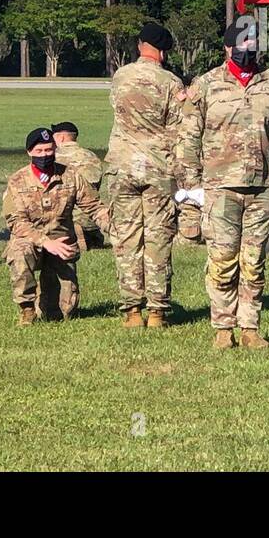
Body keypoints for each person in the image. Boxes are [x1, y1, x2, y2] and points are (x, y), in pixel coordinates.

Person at [176, 20, 269, 349]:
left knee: (254, 260)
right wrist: (191, 184)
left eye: (252, 43)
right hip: (219, 187)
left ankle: (250, 328)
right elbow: (188, 137)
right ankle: (223, 328)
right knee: (222, 258)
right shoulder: (206, 85)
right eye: (239, 44)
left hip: (264, 186)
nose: (246, 50)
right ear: (227, 48)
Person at [104, 23, 185, 329]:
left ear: (141, 45)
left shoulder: (120, 76)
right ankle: (157, 311)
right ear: (163, 51)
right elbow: (181, 128)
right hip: (157, 168)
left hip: (122, 166)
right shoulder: (171, 83)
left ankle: (131, 310)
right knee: (157, 239)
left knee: (125, 239)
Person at [2, 128, 109, 327]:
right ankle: (26, 308)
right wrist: (45, 242)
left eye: (49, 150)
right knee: (19, 251)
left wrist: (115, 228)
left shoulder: (70, 176)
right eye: (40, 151)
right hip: (31, 241)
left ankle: (48, 299)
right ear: (29, 152)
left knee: (62, 313)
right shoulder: (17, 181)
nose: (45, 155)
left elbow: (94, 207)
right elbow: (16, 222)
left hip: (62, 244)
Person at [52, 121, 105, 250]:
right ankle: (89, 232)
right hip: (92, 215)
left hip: (66, 216)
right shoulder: (91, 156)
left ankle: (75, 231)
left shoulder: (54, 156)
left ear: (61, 137)